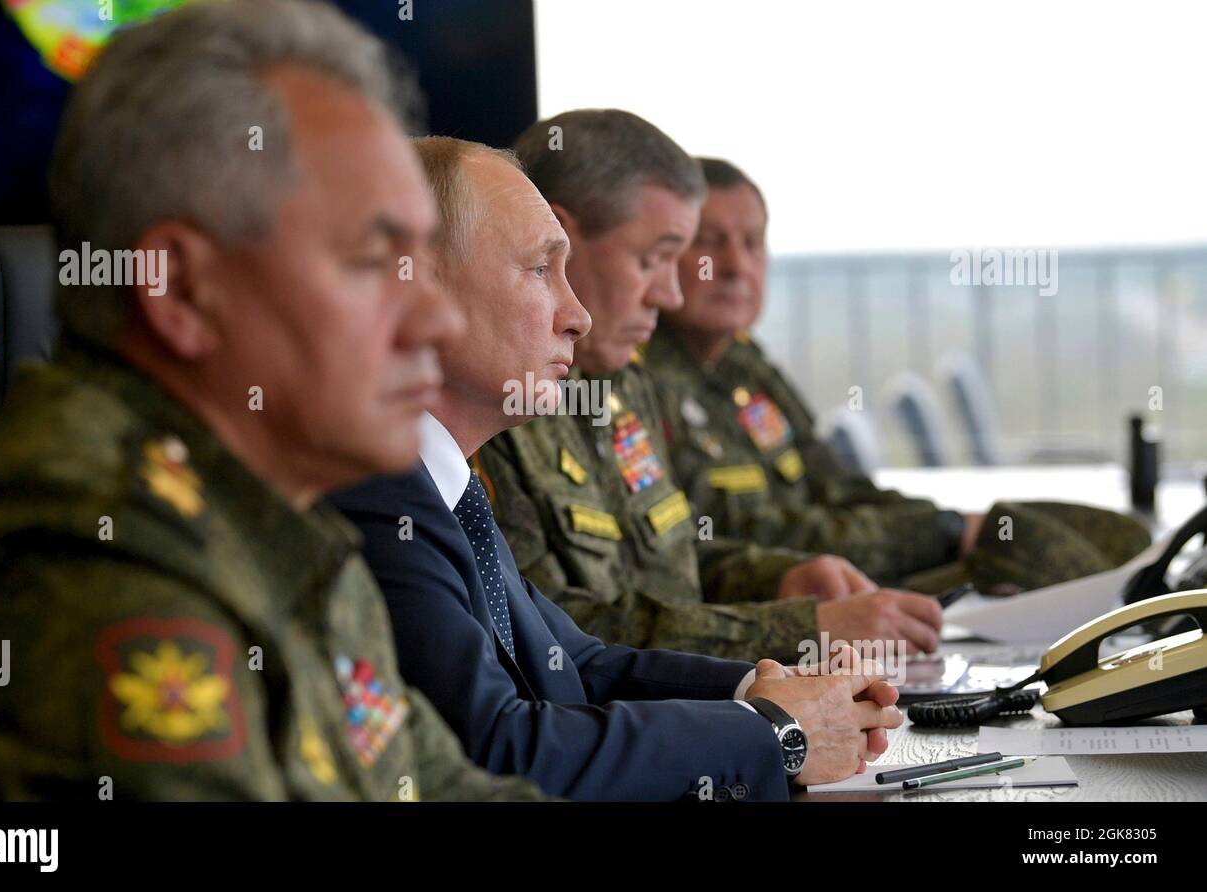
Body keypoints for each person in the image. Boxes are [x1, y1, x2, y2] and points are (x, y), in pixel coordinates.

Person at [0, 0, 545, 802]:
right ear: (180, 290)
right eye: (373, 260)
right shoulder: (92, 575)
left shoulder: (278, 513)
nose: (437, 316)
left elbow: (436, 784)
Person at [332, 136, 902, 800]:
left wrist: (763, 690)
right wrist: (771, 734)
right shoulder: (375, 495)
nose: (577, 316)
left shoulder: (444, 485)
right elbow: (497, 748)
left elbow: (579, 663)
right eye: (541, 270)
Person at [477, 109, 944, 663]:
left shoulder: (619, 387)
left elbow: (665, 566)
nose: (670, 294)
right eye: (652, 259)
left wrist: (781, 578)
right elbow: (559, 642)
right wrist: (801, 627)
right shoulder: (492, 407)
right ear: (559, 242)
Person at [648, 156, 1152, 594]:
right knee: (1046, 558)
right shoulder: (641, 379)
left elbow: (841, 487)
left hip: (850, 577)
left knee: (1112, 543)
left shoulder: (745, 366)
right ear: (666, 255)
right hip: (789, 603)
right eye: (710, 243)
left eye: (754, 243)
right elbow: (730, 535)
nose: (736, 265)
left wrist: (948, 527)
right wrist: (942, 535)